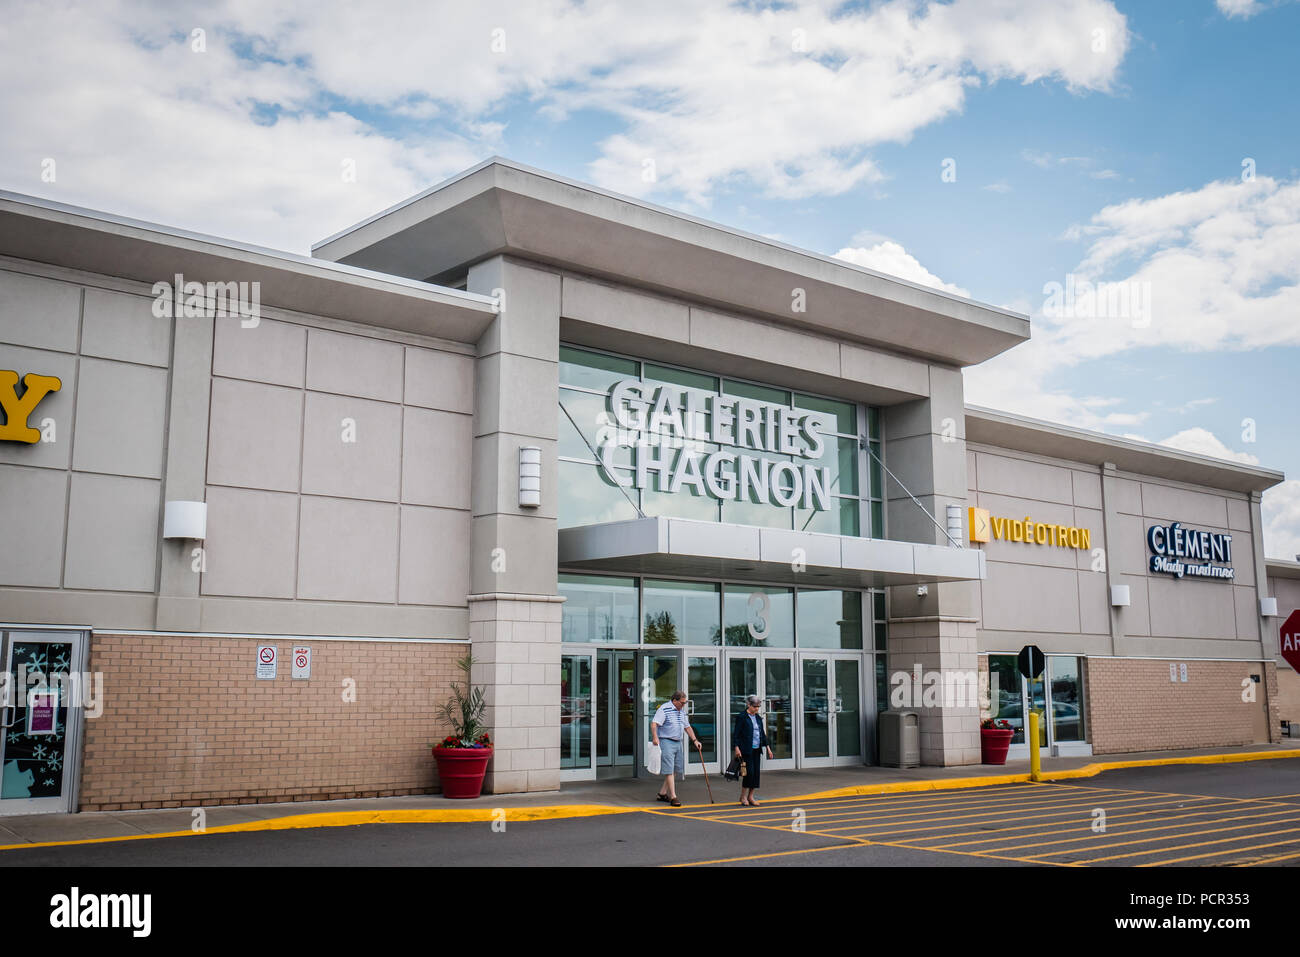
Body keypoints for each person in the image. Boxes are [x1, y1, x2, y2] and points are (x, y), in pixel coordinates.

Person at [651, 690, 702, 807]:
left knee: (674, 769)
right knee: (669, 769)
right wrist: (655, 737)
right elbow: (654, 723)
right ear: (674, 700)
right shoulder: (664, 709)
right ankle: (673, 796)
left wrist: (695, 740)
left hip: (678, 742)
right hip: (666, 741)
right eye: (682, 703)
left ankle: (662, 793)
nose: (683, 705)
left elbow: (687, 727)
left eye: (684, 703)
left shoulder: (681, 711)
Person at [732, 694, 773, 807]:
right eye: (755, 706)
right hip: (746, 750)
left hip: (756, 749)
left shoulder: (758, 718)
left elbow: (762, 734)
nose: (757, 709)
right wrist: (736, 747)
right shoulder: (742, 717)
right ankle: (743, 796)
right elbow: (736, 734)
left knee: (755, 774)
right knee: (748, 773)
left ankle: (751, 796)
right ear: (748, 705)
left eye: (758, 706)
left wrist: (768, 748)